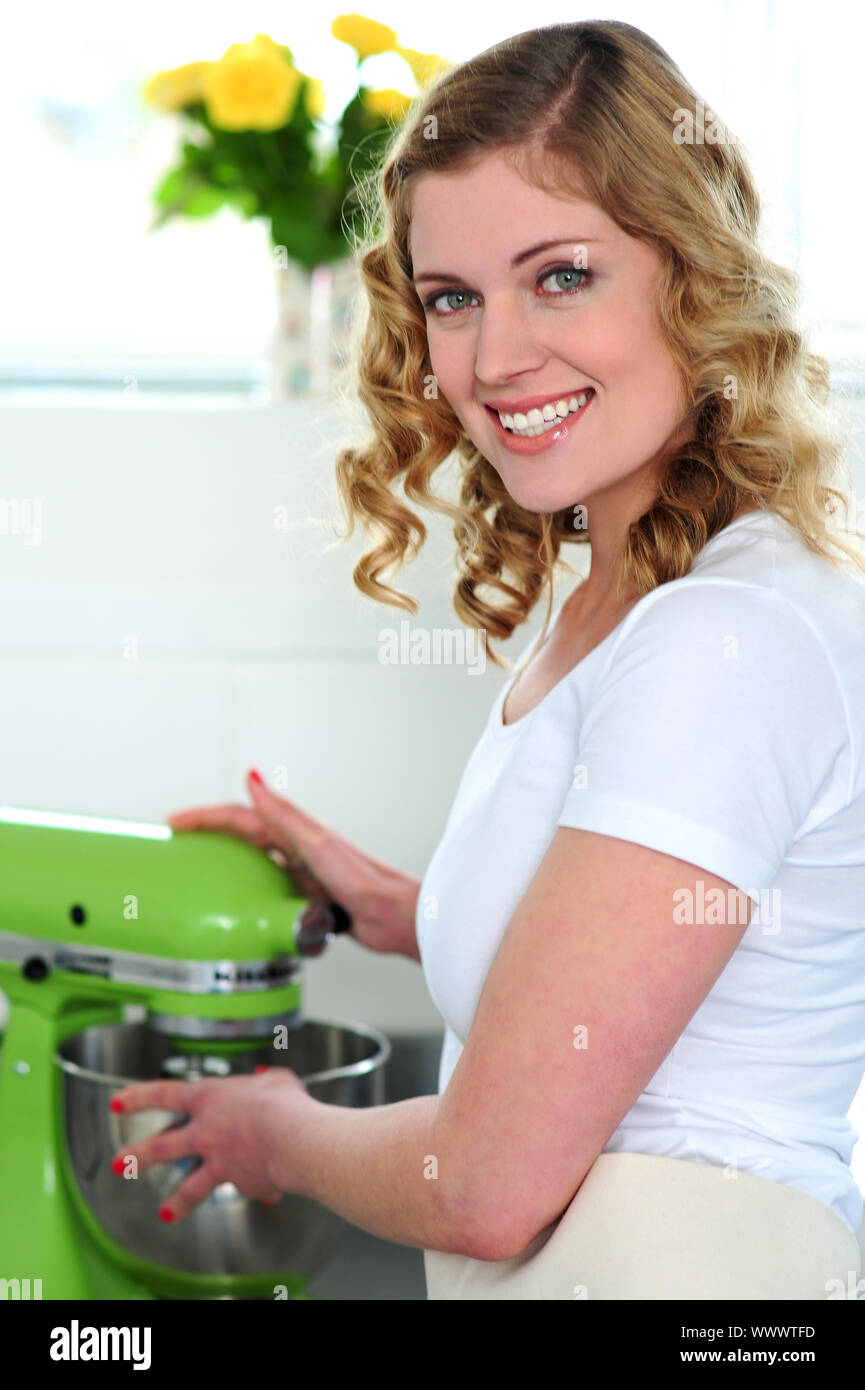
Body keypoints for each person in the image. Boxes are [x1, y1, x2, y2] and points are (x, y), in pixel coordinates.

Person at [109, 20, 865, 1299]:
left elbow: (489, 1184)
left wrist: (270, 1131)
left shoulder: (723, 639)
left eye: (559, 275)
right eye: (452, 296)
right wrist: (405, 907)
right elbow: (659, 937)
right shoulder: (623, 594)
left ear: (690, 272)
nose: (495, 357)